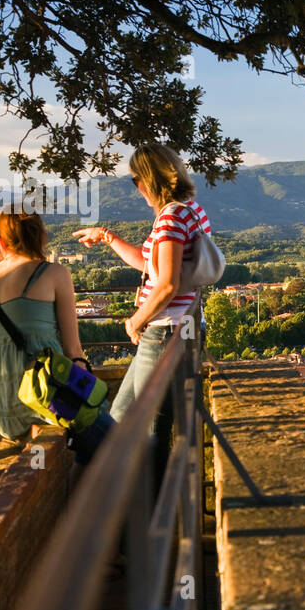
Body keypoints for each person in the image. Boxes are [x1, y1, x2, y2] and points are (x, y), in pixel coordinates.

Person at [73, 144, 210, 458]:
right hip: (175, 330)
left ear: (148, 180)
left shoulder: (171, 218)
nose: (136, 188)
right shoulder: (190, 210)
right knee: (120, 417)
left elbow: (167, 285)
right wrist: (107, 236)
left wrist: (135, 320)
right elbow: (151, 264)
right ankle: (118, 492)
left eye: (135, 180)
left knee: (149, 431)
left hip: (164, 332)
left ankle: (149, 501)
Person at [0, 205, 114, 468]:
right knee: (123, 446)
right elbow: (73, 350)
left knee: (84, 456)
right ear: (40, 237)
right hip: (46, 400)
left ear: (0, 242)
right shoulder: (53, 273)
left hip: (2, 408)